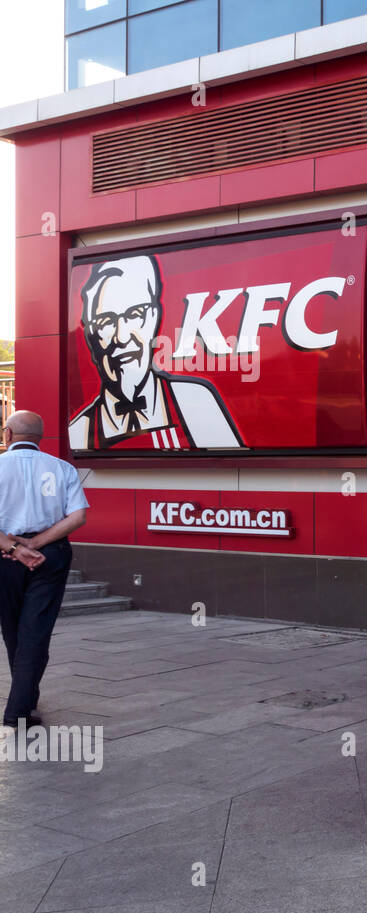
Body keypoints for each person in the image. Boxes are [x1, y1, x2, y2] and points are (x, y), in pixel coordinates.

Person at [67, 254, 244, 451]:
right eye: (105, 322)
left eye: (135, 315)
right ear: (91, 337)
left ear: (154, 317)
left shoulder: (194, 402)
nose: (122, 337)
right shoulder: (79, 433)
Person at [0, 412, 90, 728]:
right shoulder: (62, 468)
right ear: (41, 437)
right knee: (35, 631)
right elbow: (77, 516)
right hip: (49, 555)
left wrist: (15, 548)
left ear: (7, 433)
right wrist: (36, 543)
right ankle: (20, 707)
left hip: (4, 556)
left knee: (12, 630)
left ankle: (22, 701)